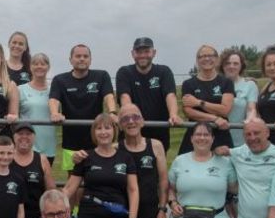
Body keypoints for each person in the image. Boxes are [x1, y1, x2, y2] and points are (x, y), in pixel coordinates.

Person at [49, 44, 116, 172]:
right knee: (73, 179)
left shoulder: (101, 76)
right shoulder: (60, 80)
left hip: (97, 140)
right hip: (71, 141)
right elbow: (53, 99)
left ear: (90, 59)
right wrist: (54, 113)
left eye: (85, 56)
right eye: (78, 56)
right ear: (70, 59)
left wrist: (112, 112)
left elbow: (109, 96)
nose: (82, 59)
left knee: (97, 176)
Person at [115, 37, 182, 151]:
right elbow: (124, 97)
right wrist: (132, 118)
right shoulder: (124, 72)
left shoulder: (164, 71)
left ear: (154, 53)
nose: (142, 55)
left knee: (157, 167)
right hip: (131, 130)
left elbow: (170, 95)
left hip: (159, 133)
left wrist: (173, 114)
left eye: (146, 51)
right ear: (132, 54)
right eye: (139, 52)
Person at [179, 45, 234, 155]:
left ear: (217, 59)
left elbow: (225, 110)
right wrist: (214, 118)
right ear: (197, 60)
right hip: (196, 134)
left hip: (220, 133)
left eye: (210, 55)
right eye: (202, 56)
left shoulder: (226, 82)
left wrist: (198, 103)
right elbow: (189, 112)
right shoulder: (188, 84)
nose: (206, 59)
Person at [17, 53, 56, 164]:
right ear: (30, 67)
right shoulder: (20, 89)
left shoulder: (54, 91)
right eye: (35, 63)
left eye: (43, 64)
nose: (39, 66)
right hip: (27, 143)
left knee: (44, 179)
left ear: (48, 67)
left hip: (48, 144)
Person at [219, 49, 259, 147]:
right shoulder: (215, 84)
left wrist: (250, 119)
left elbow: (251, 108)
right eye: (227, 63)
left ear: (241, 66)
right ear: (222, 66)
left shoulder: (249, 85)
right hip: (218, 139)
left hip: (241, 141)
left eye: (235, 63)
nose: (231, 66)